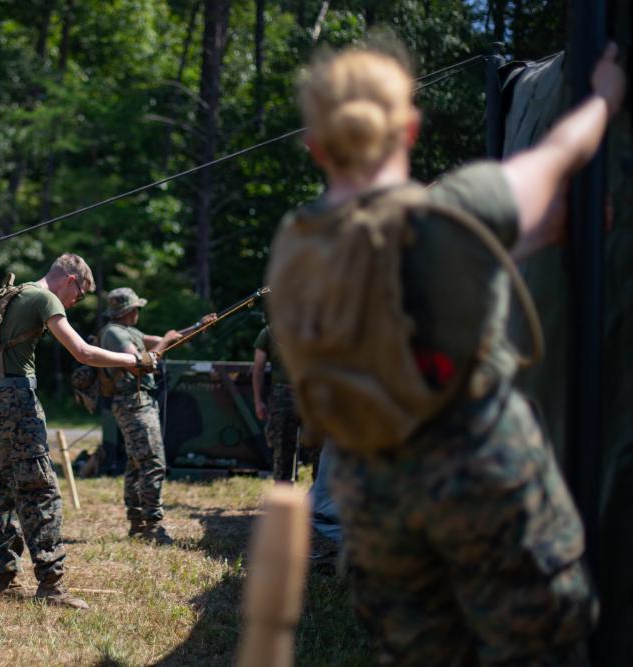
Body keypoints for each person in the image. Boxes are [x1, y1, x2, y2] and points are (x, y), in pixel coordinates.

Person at [273, 43, 625, 663]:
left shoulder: (296, 250)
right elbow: (561, 153)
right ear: (410, 128)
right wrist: (602, 94)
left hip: (385, 532)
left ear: (315, 146)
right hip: (491, 521)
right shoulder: (456, 212)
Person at [0, 254, 146, 610]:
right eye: (81, 293)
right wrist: (134, 361)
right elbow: (83, 352)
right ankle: (51, 585)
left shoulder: (13, 293)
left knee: (2, 485)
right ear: (71, 279)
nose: (76, 302)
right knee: (41, 490)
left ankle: (3, 579)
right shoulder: (45, 298)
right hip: (18, 399)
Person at [98, 287, 182, 543]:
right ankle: (152, 526)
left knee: (137, 463)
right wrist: (166, 340)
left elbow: (160, 340)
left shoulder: (128, 332)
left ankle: (138, 522)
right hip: (133, 404)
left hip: (139, 402)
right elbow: (140, 364)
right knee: (152, 463)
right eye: (136, 309)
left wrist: (197, 327)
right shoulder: (114, 333)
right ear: (128, 311)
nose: (138, 313)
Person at [251, 325, 302, 482]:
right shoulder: (270, 332)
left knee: (317, 449)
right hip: (285, 396)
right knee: (282, 449)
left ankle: (319, 498)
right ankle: (284, 495)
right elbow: (258, 368)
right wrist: (258, 401)